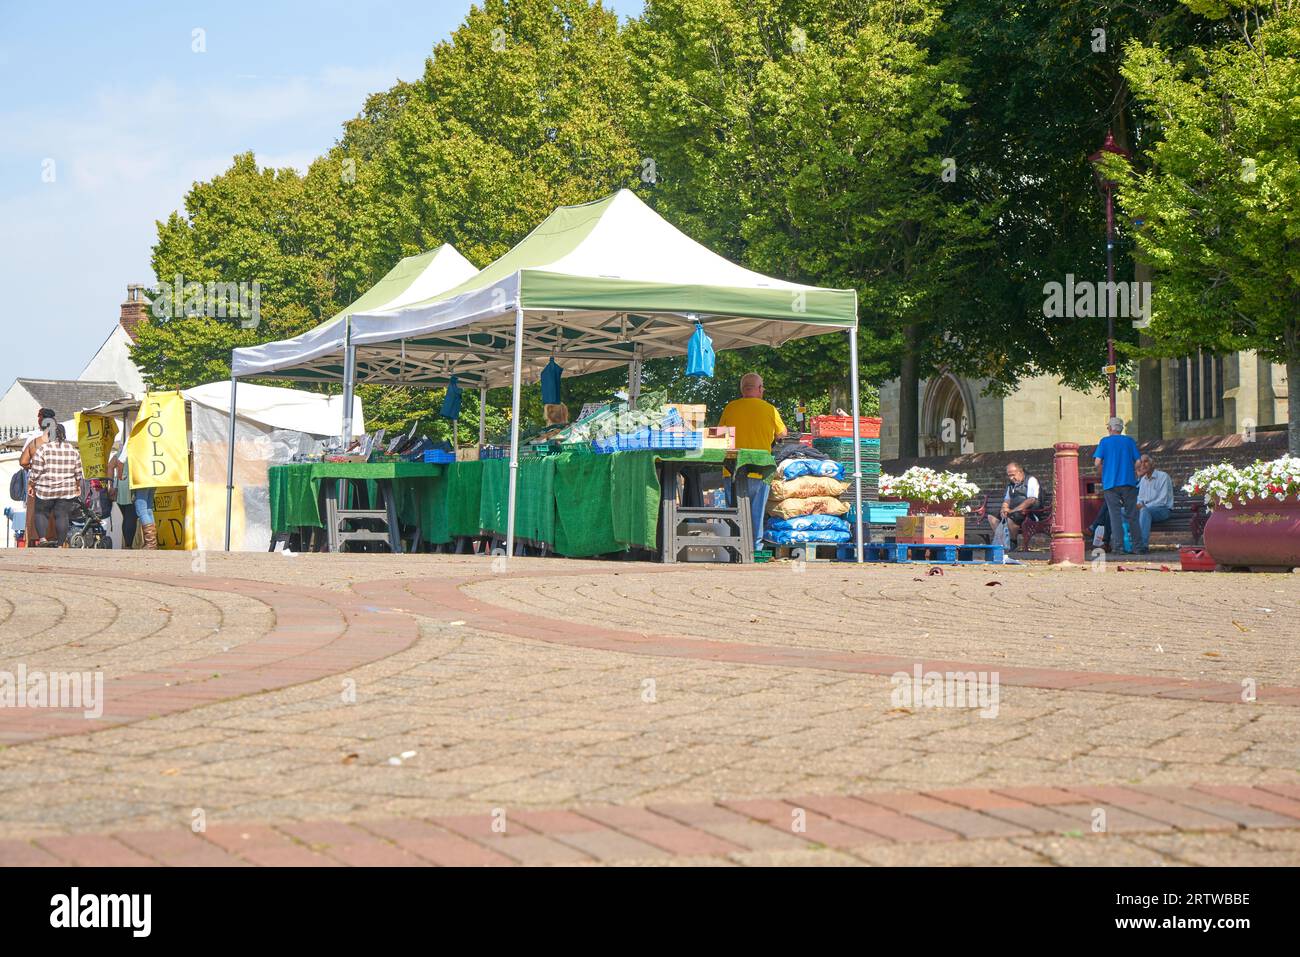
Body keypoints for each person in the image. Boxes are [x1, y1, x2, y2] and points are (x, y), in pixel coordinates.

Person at [718, 373, 788, 546]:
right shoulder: (769, 409)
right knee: (756, 513)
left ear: (742, 390)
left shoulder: (730, 408)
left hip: (732, 469)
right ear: (759, 389)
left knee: (734, 510)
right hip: (760, 470)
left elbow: (719, 433)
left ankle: (734, 546)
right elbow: (782, 433)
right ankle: (754, 548)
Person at [28, 424, 84, 546]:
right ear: (64, 435)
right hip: (66, 489)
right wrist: (77, 486)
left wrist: (31, 484)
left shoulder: (43, 449)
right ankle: (59, 544)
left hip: (45, 488)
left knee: (41, 512)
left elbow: (36, 471)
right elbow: (78, 472)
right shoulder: (73, 450)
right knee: (62, 515)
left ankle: (43, 539)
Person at [1093, 416, 1141, 555]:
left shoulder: (1104, 441)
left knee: (1115, 516)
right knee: (1132, 516)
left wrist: (1104, 471)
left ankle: (1118, 548)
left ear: (1110, 429)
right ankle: (1138, 547)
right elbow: (1138, 462)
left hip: (1110, 483)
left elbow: (1097, 462)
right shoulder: (1129, 441)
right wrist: (1134, 471)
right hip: (1128, 482)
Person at [18, 407, 57, 541]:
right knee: (54, 512)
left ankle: (36, 538)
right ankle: (53, 537)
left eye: (39, 417)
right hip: (57, 482)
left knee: (35, 511)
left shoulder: (35, 440)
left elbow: (23, 462)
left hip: (36, 483)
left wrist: (33, 466)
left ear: (42, 419)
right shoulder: (59, 439)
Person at [987, 460, 1041, 549]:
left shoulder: (1031, 480)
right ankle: (1003, 542)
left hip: (1029, 512)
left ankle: (1013, 542)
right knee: (992, 517)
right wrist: (1003, 509)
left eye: (1013, 475)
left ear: (1020, 472)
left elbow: (1031, 500)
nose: (1011, 478)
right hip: (1014, 510)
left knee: (1010, 516)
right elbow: (1007, 499)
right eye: (1009, 475)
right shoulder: (1011, 485)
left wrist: (1012, 510)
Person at [1134, 454, 1174, 553]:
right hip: (1147, 510)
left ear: (1153, 464)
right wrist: (1138, 504)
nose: (1143, 465)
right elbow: (1140, 498)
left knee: (1144, 511)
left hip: (1163, 510)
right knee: (1123, 511)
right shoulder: (1143, 480)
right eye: (1141, 462)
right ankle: (1125, 545)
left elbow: (1162, 500)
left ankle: (1142, 546)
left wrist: (1144, 507)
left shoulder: (1163, 476)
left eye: (1146, 461)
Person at [108, 443, 137, 548]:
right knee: (131, 517)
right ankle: (128, 545)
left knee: (126, 517)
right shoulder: (137, 453)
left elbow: (110, 466)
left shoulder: (120, 453)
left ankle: (127, 544)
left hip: (120, 487)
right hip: (132, 486)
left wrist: (111, 485)